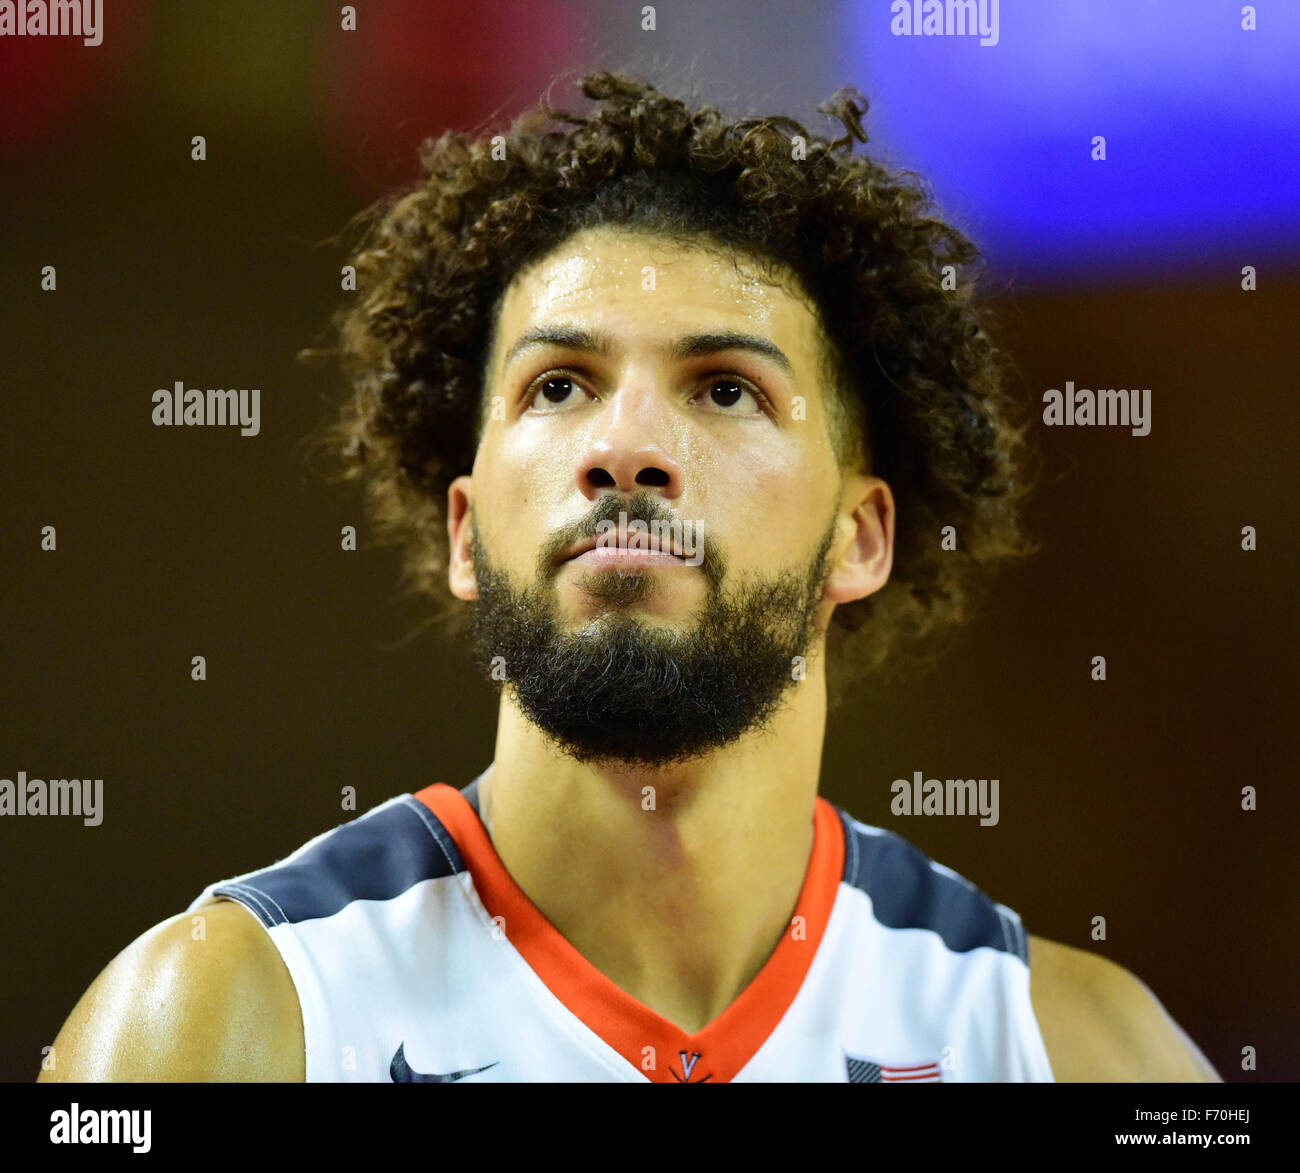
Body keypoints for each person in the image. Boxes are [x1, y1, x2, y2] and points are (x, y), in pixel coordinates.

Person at [41, 71, 1218, 1083]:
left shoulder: (1072, 1049)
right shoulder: (225, 1020)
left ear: (860, 537)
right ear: (464, 533)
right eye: (558, 385)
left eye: (724, 389)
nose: (625, 446)